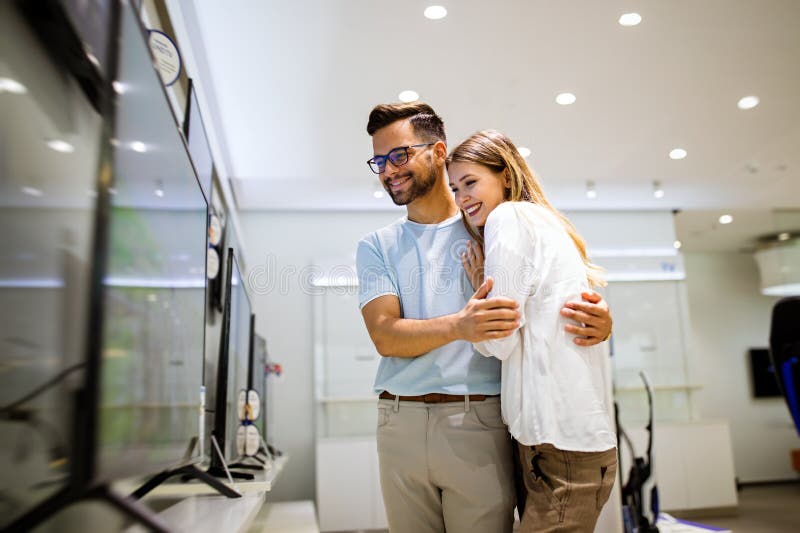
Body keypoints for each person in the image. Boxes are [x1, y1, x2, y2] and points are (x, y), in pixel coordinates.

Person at [356, 102, 613, 533]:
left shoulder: (489, 223)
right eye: (379, 161)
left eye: (399, 155)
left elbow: (552, 292)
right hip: (398, 421)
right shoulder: (376, 246)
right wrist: (460, 325)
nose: (388, 170)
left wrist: (601, 322)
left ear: (439, 152)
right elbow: (385, 336)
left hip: (480, 419)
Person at [447, 129, 618, 533]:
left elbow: (500, 340)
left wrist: (477, 302)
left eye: (470, 182)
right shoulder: (542, 222)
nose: (462, 198)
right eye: (455, 189)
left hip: (560, 447)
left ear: (505, 175)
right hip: (558, 443)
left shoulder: (507, 218)